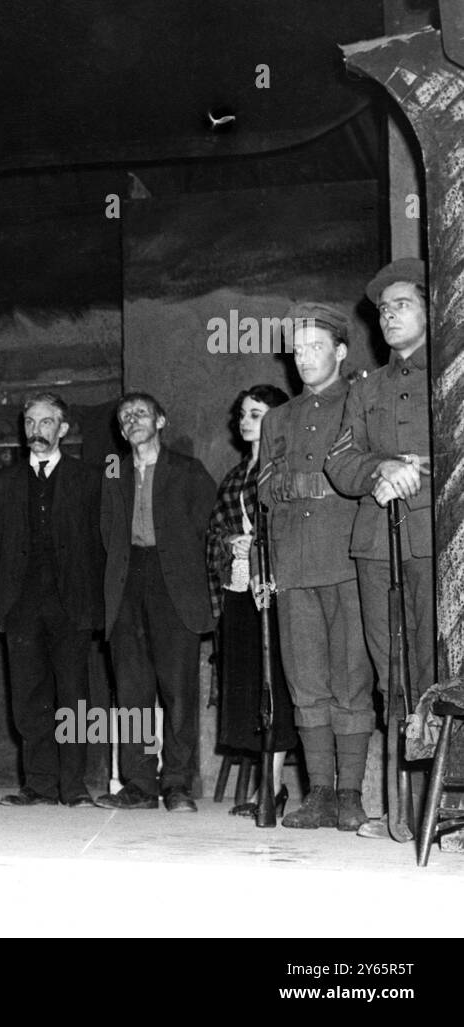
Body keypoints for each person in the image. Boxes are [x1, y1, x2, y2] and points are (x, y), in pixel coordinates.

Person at [325, 259, 434, 840]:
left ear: (431, 309)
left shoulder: (455, 374)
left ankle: (445, 807)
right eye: (384, 310)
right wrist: (381, 470)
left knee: (439, 673)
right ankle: (401, 810)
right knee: (393, 676)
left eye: (403, 306)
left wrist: (419, 469)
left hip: (441, 545)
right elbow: (340, 460)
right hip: (377, 547)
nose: (389, 316)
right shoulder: (364, 388)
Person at [259, 305, 374, 831]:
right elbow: (264, 488)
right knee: (306, 685)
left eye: (316, 347)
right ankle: (320, 794)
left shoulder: (361, 400)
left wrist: (305, 483)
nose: (304, 358)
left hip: (349, 560)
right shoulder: (278, 418)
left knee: (351, 681)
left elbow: (363, 472)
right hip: (294, 564)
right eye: (298, 350)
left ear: (341, 352)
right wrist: (288, 484)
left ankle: (350, 794)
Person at [97, 393, 217, 812]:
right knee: (131, 691)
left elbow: (211, 532)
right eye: (125, 416)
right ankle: (139, 785)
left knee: (178, 692)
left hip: (174, 587)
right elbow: (105, 534)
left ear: (160, 420)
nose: (132, 420)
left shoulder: (188, 470)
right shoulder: (113, 473)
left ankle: (178, 784)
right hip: (128, 584)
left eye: (141, 413)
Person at [0, 394, 103, 808]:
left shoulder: (89, 479)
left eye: (46, 422)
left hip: (71, 604)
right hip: (22, 605)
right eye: (30, 422)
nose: (37, 430)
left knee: (74, 695)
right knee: (28, 696)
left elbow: (98, 545)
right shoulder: (2, 483)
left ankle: (73, 785)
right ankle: (37, 783)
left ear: (63, 429)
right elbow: (2, 546)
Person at [205, 384, 295, 818]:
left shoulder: (287, 469)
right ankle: (266, 783)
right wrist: (232, 542)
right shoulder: (236, 474)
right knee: (250, 684)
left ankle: (272, 788)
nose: (244, 421)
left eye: (255, 413)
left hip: (279, 592)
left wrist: (259, 543)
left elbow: (295, 530)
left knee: (276, 683)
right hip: (241, 590)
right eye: (242, 413)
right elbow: (216, 531)